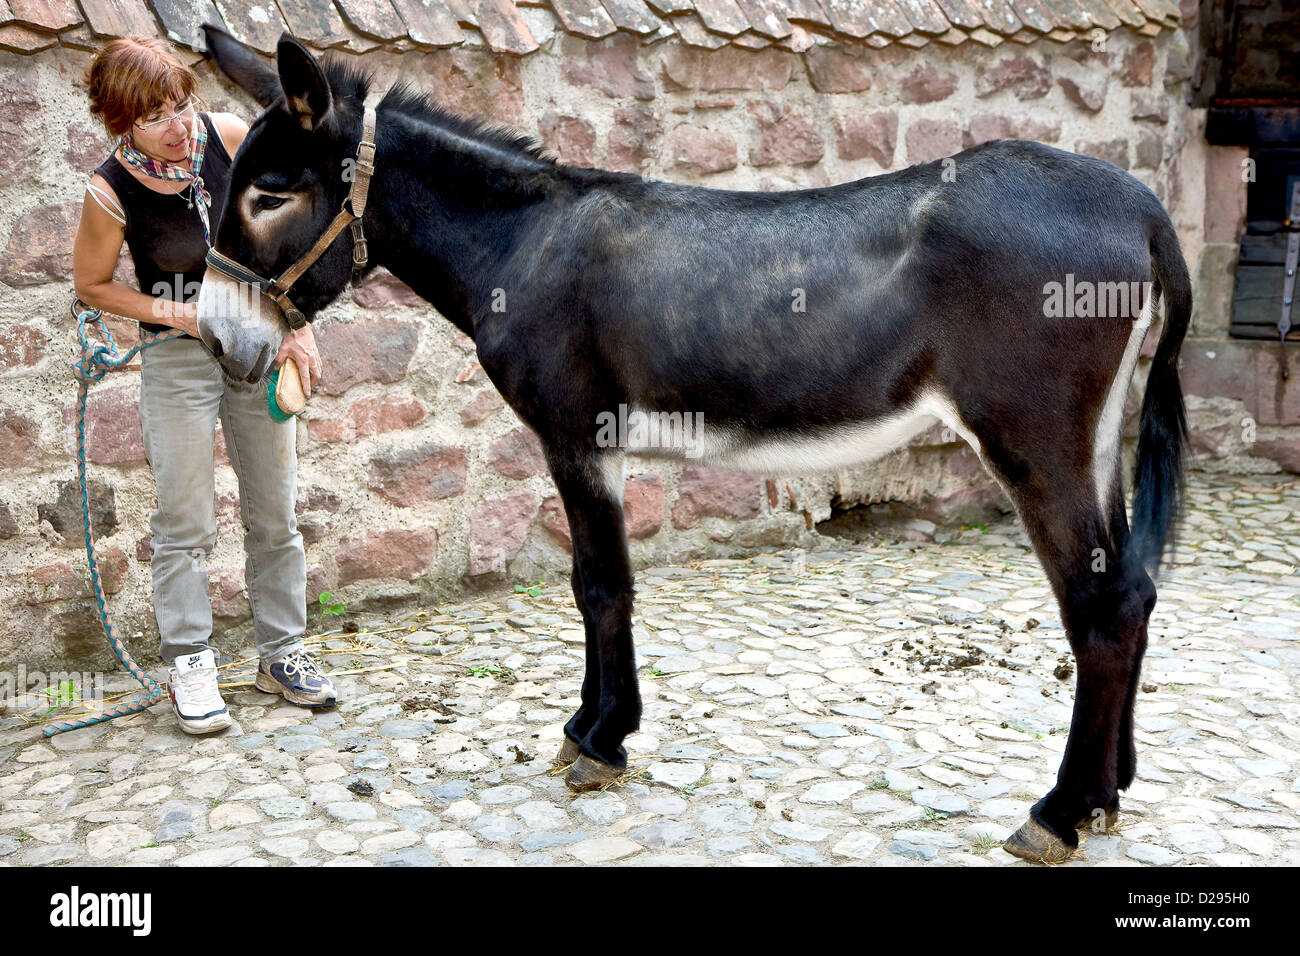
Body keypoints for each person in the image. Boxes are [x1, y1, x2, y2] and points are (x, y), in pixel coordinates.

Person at [72, 35, 338, 734]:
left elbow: (285, 233)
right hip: (179, 357)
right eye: (155, 115)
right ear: (118, 118)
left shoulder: (227, 137)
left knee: (275, 512)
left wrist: (298, 325)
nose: (177, 124)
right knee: (186, 520)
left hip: (258, 340)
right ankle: (190, 663)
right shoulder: (109, 190)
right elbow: (92, 286)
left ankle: (281, 653)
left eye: (181, 104)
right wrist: (177, 313)